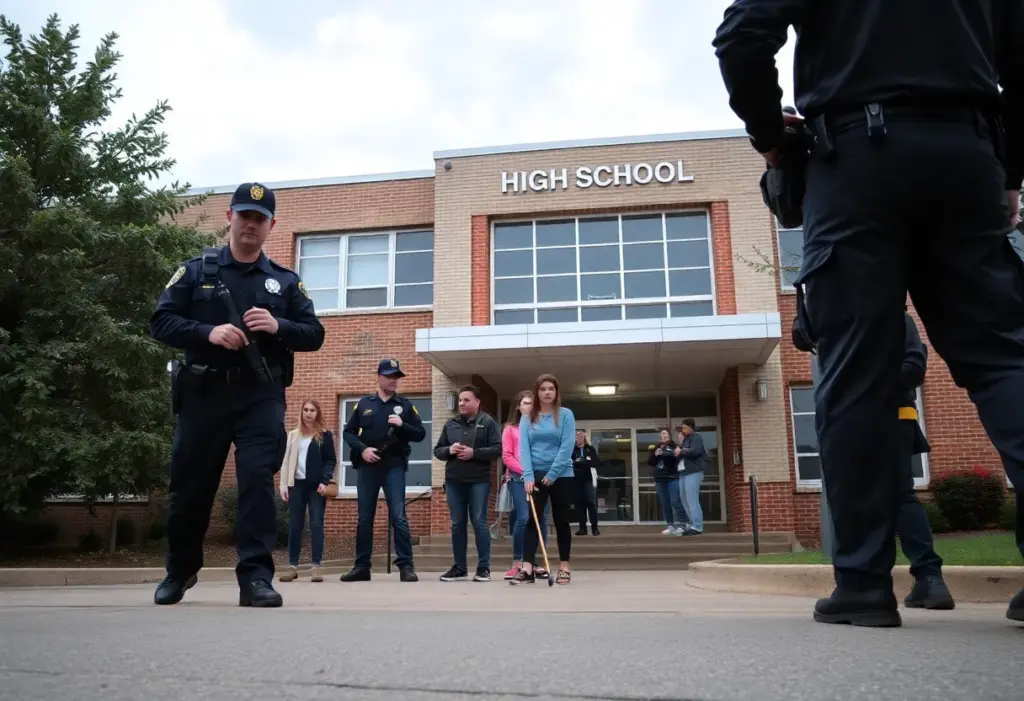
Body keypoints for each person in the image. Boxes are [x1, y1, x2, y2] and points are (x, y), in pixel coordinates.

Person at [713, 0, 1024, 626]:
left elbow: (743, 37)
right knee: (1003, 359)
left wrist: (770, 138)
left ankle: (862, 584)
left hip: (855, 158)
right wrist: (1009, 173)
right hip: (968, 155)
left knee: (855, 374)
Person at [149, 181, 325, 607]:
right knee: (190, 488)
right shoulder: (195, 271)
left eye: (259, 219)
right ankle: (181, 569)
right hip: (202, 395)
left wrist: (278, 325)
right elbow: (161, 321)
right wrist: (207, 332)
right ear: (230, 218)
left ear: (271, 226)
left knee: (255, 486)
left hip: (259, 397)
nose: (251, 224)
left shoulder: (283, 282)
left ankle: (255, 578)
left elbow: (314, 334)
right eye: (244, 215)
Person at [339, 359, 425, 583]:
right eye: (390, 376)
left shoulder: (405, 406)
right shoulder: (364, 404)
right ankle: (361, 567)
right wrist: (363, 449)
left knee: (398, 516)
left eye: (397, 376)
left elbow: (420, 434)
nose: (394, 380)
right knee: (364, 518)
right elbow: (348, 433)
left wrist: (402, 425)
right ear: (378, 377)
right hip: (368, 466)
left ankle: (406, 566)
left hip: (393, 466)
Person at [509, 374, 576, 586]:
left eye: (551, 389)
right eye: (543, 389)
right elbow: (524, 449)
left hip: (562, 474)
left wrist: (553, 473)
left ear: (556, 392)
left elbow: (567, 445)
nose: (547, 392)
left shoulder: (565, 415)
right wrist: (527, 475)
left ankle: (564, 565)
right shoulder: (527, 417)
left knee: (561, 520)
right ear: (537, 392)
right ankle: (527, 568)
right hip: (535, 474)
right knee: (532, 520)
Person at [434, 385, 502, 582]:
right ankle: (459, 567)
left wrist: (475, 453)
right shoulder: (450, 424)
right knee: (457, 524)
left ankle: (483, 568)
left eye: (466, 400)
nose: (462, 403)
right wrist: (450, 450)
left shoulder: (487, 422)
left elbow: (498, 449)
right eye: (460, 400)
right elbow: (438, 451)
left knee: (479, 522)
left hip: (478, 481)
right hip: (454, 481)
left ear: (477, 402)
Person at [278, 398, 337, 584]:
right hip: (296, 485)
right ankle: (292, 567)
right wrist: (283, 485)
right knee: (295, 525)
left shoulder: (324, 435)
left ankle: (316, 567)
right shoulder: (293, 436)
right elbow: (286, 462)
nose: (308, 413)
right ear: (301, 412)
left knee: (316, 524)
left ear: (317, 413)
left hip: (316, 487)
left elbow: (330, 460)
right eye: (306, 409)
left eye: (312, 410)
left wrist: (324, 481)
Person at [647, 429, 687, 535]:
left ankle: (683, 524)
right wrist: (655, 454)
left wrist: (663, 453)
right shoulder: (657, 447)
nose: (663, 436)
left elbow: (675, 457)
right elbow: (650, 462)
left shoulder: (674, 446)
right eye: (662, 434)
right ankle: (670, 525)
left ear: (669, 435)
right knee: (665, 503)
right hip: (660, 479)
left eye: (665, 434)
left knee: (675, 501)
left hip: (672, 477)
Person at [677, 419, 707, 536]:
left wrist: (681, 450)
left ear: (690, 427)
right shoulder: (685, 440)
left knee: (692, 500)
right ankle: (692, 524)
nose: (682, 429)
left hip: (693, 471)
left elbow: (695, 451)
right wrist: (680, 445)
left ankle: (698, 526)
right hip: (683, 472)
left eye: (684, 427)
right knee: (684, 500)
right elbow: (681, 455)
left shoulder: (696, 437)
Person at [571, 429, 600, 536]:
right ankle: (582, 528)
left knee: (591, 503)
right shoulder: (572, 450)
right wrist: (575, 462)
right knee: (579, 504)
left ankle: (595, 527)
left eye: (580, 436)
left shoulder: (590, 449)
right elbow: (569, 461)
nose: (578, 438)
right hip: (576, 480)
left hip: (588, 479)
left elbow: (596, 462)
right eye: (576, 436)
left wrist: (585, 461)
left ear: (584, 438)